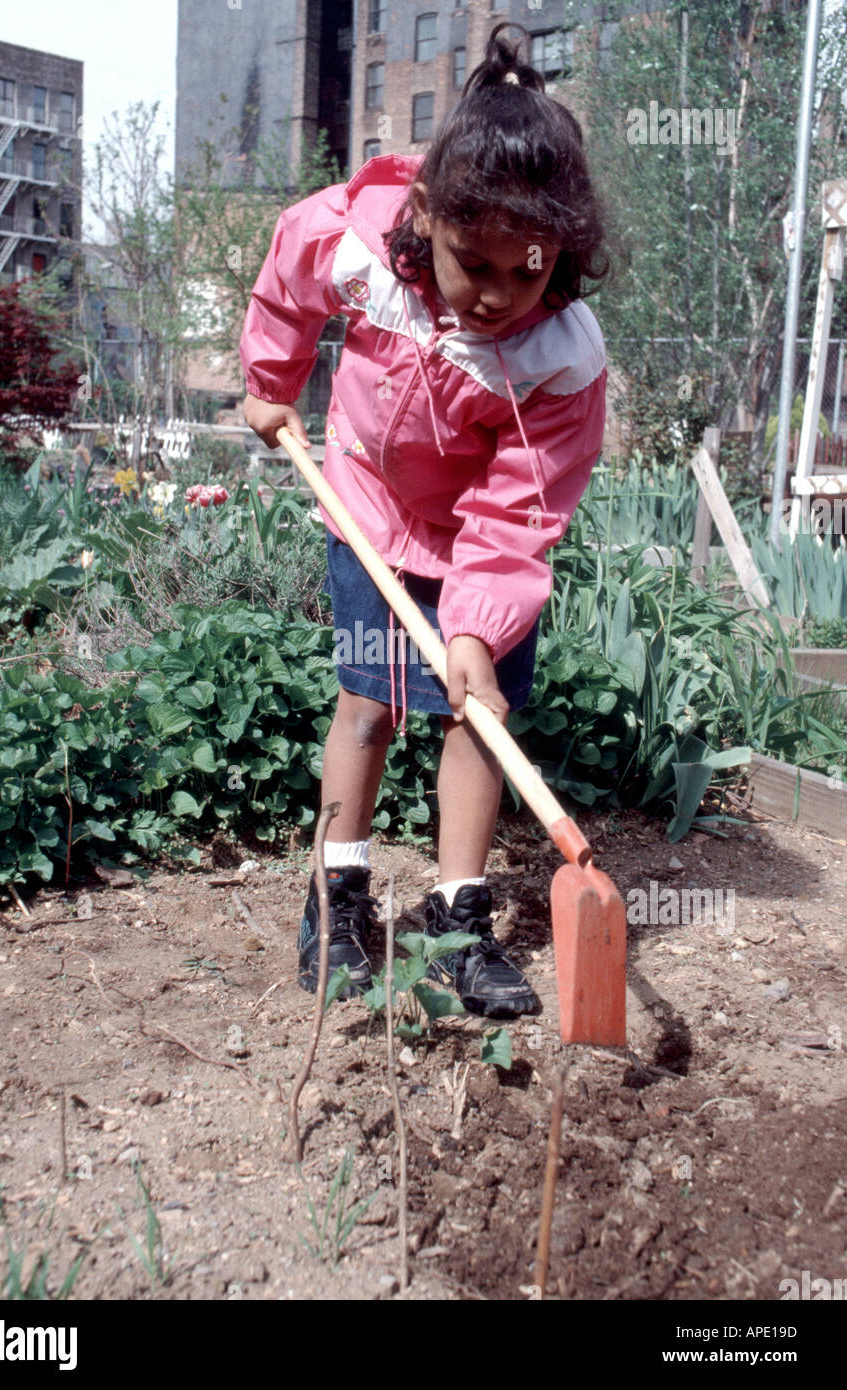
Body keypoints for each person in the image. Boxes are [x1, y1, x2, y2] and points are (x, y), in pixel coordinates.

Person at [240, 23, 609, 1019]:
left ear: (562, 257)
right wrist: (272, 385)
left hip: (484, 546)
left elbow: (521, 504)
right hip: (366, 499)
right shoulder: (359, 242)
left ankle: (457, 923)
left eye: (524, 272)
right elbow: (287, 275)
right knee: (369, 702)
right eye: (470, 263)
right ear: (426, 219)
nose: (494, 296)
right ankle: (338, 897)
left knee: (475, 718)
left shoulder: (561, 359)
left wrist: (477, 630)